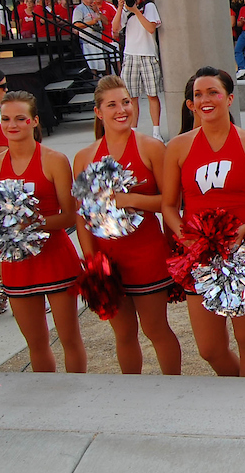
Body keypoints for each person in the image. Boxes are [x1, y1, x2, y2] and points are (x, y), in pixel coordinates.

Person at [161, 67, 245, 377]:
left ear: (229, 99)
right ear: (190, 104)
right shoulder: (178, 146)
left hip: (244, 254)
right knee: (209, 348)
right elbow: (169, 206)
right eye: (198, 94)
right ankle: (237, 391)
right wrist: (185, 236)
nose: (205, 99)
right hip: (198, 256)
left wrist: (243, 230)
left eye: (213, 92)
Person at [72, 76, 182, 375]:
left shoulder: (151, 147)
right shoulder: (83, 157)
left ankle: (174, 389)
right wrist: (91, 259)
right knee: (123, 334)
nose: (122, 109)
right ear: (99, 112)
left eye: (125, 102)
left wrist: (131, 198)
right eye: (112, 105)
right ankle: (131, 393)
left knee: (155, 329)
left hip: (147, 254)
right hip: (107, 259)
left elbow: (171, 202)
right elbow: (82, 216)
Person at [0, 91, 85, 373]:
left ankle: (78, 401)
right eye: (5, 119)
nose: (12, 125)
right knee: (36, 344)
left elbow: (70, 215)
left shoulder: (54, 160)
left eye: (20, 118)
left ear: (34, 121)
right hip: (16, 266)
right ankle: (47, 402)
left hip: (55, 259)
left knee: (69, 339)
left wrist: (30, 224)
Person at [113, 0, 164, 140]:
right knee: (131, 96)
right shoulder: (125, 10)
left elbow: (150, 28)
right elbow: (115, 29)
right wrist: (121, 7)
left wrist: (135, 10)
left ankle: (156, 132)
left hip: (148, 54)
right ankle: (133, 131)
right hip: (130, 55)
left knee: (152, 95)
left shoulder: (149, 7)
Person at [72, 0, 107, 73]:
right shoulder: (79, 9)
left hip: (98, 40)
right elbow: (76, 25)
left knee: (100, 65)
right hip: (87, 41)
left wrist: (97, 11)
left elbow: (106, 22)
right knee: (92, 65)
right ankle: (94, 79)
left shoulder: (94, 7)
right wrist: (91, 22)